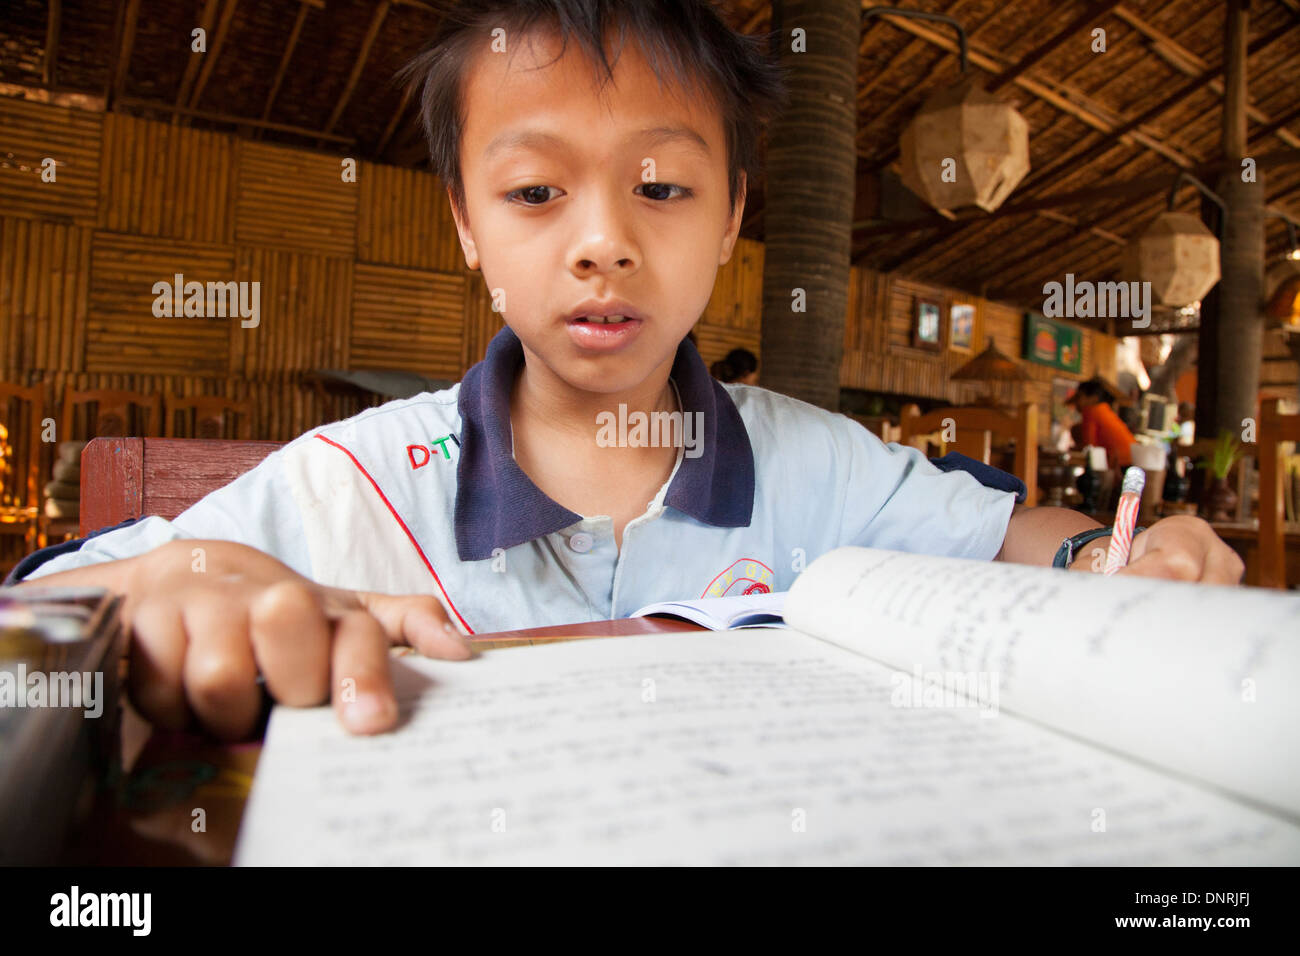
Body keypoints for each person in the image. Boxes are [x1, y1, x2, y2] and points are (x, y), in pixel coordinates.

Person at [8, 0, 1242, 742]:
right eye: (535, 192)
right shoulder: (355, 482)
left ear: (729, 215)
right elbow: (46, 623)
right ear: (465, 225)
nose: (602, 239)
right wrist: (169, 586)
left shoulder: (812, 460)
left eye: (661, 187)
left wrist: (1110, 557)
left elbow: (1012, 534)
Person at [1067, 377, 1136, 469]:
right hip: (1132, 459)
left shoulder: (1091, 412)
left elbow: (1089, 447)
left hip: (1122, 463)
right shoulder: (1103, 410)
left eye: (1080, 397)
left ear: (1094, 398)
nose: (1077, 402)